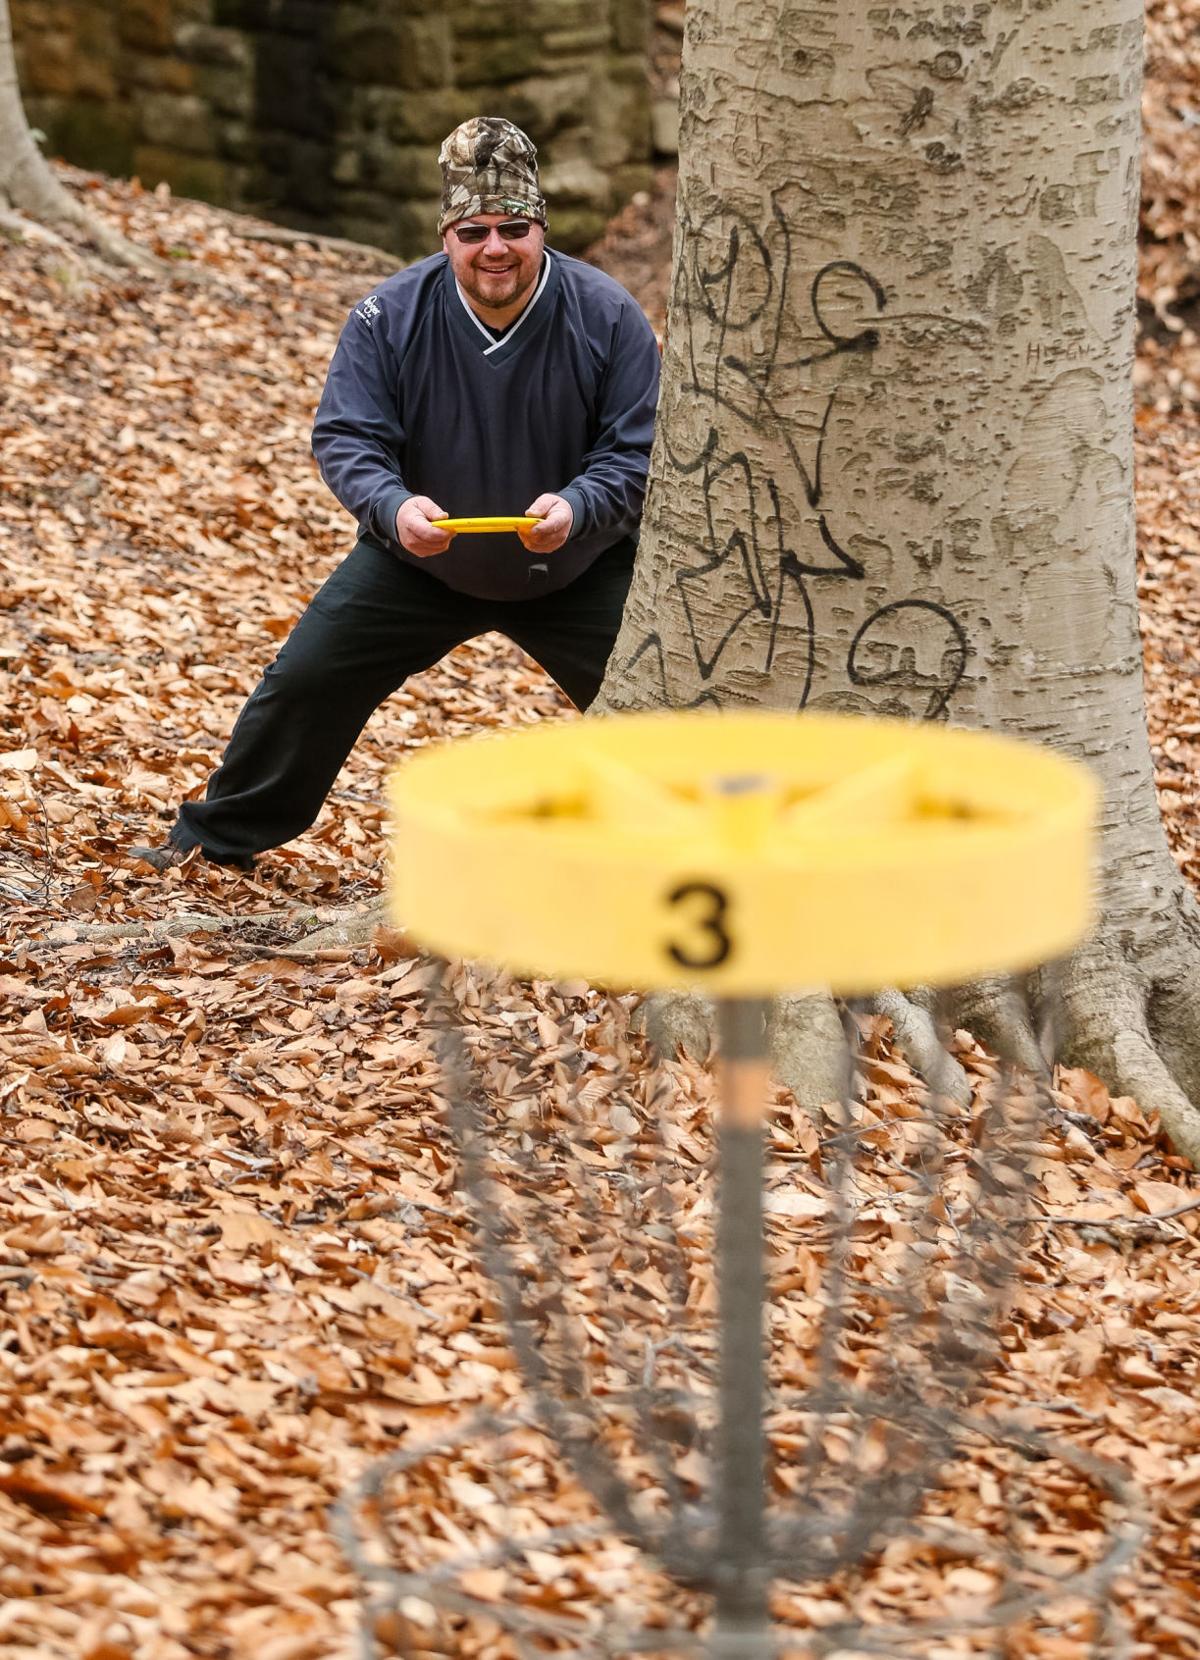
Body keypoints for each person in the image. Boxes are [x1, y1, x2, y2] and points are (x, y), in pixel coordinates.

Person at [132, 116, 660, 874]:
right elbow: (347, 436)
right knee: (305, 679)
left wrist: (578, 509)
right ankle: (214, 842)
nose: (496, 248)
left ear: (541, 226)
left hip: (576, 566)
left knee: (660, 701)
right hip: (420, 560)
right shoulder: (389, 315)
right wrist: (391, 508)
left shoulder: (607, 314)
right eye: (473, 231)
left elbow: (635, 451)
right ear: (446, 235)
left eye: (514, 227)